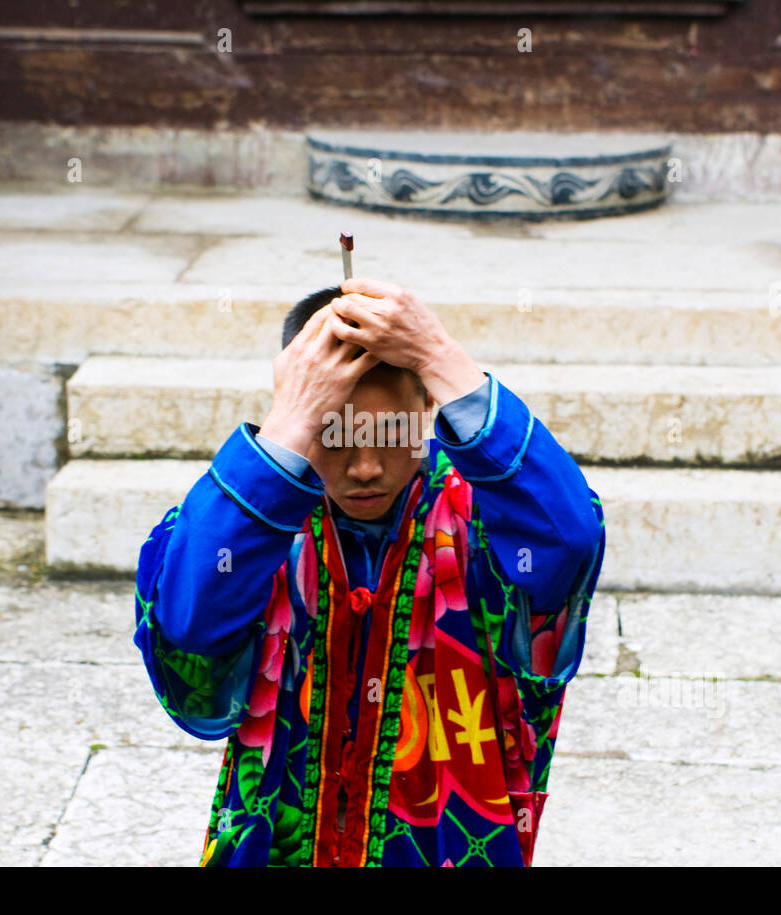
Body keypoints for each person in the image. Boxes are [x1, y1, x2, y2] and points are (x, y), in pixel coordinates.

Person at [133, 277, 606, 867]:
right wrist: (288, 428)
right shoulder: (258, 525)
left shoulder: (483, 519)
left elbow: (571, 538)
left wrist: (439, 355)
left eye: (389, 433)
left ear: (428, 405)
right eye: (331, 432)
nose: (364, 467)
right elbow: (189, 622)